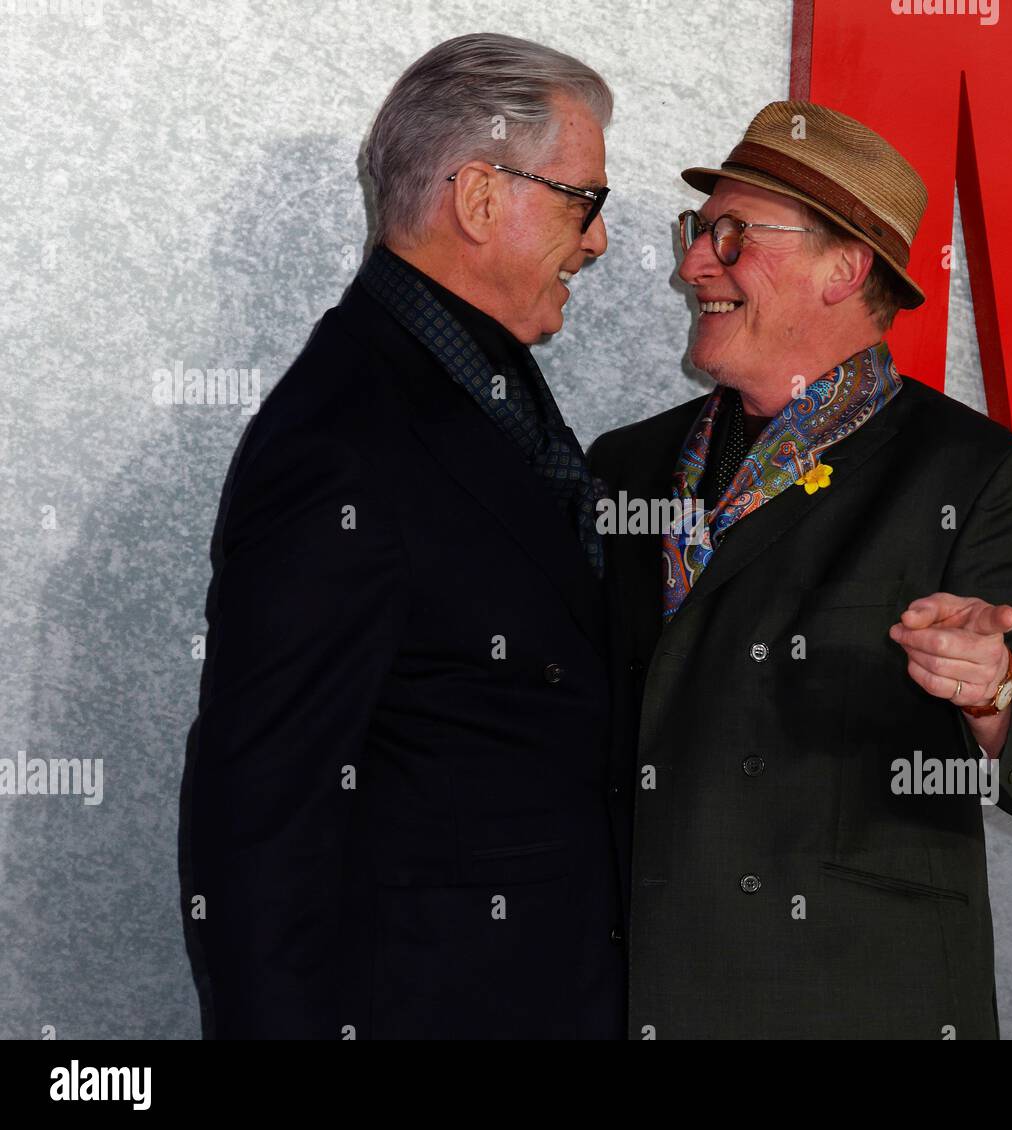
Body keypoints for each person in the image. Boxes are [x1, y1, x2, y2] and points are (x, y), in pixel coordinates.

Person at [588, 100, 1012, 1039]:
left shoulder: (978, 475)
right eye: (699, 231)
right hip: (638, 987)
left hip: (846, 998)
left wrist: (993, 693)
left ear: (845, 268)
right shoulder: (621, 467)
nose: (694, 261)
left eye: (734, 235)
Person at [182, 32, 630, 1039]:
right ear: (479, 197)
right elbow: (259, 806)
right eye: (582, 201)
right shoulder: (342, 438)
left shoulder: (473, 377)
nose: (597, 241)